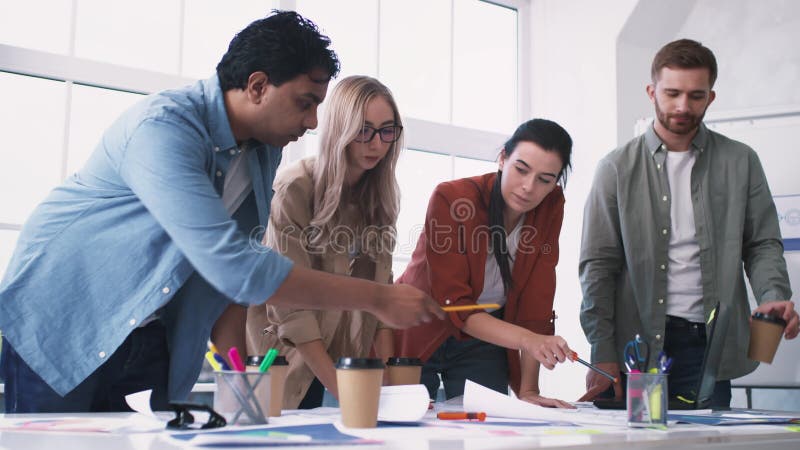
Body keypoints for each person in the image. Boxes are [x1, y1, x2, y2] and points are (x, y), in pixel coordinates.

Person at [0, 11, 442, 414]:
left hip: (150, 338)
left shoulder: (262, 153)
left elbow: (229, 287)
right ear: (257, 86)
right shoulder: (164, 128)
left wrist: (238, 378)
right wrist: (378, 298)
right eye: (305, 102)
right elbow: (234, 266)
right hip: (64, 325)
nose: (312, 122)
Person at [578, 39, 798, 407]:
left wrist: (773, 296)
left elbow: (762, 244)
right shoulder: (616, 168)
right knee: (639, 438)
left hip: (710, 345)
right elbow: (598, 266)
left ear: (710, 97)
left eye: (696, 95)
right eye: (672, 93)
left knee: (707, 437)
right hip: (638, 347)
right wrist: (602, 349)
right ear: (652, 92)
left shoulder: (740, 161)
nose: (683, 106)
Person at [245, 75, 403, 409]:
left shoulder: (380, 200)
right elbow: (291, 306)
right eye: (363, 130)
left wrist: (390, 385)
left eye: (387, 130)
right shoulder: (295, 188)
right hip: (287, 361)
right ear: (339, 129)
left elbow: (381, 297)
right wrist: (343, 390)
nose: (377, 144)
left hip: (343, 361)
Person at [395, 119, 576, 408]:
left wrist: (529, 390)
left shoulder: (550, 205)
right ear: (503, 158)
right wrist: (528, 340)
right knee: (406, 421)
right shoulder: (452, 198)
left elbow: (537, 301)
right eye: (521, 169)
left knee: (490, 422)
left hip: (484, 333)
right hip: (420, 326)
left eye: (545, 179)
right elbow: (456, 305)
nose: (529, 187)